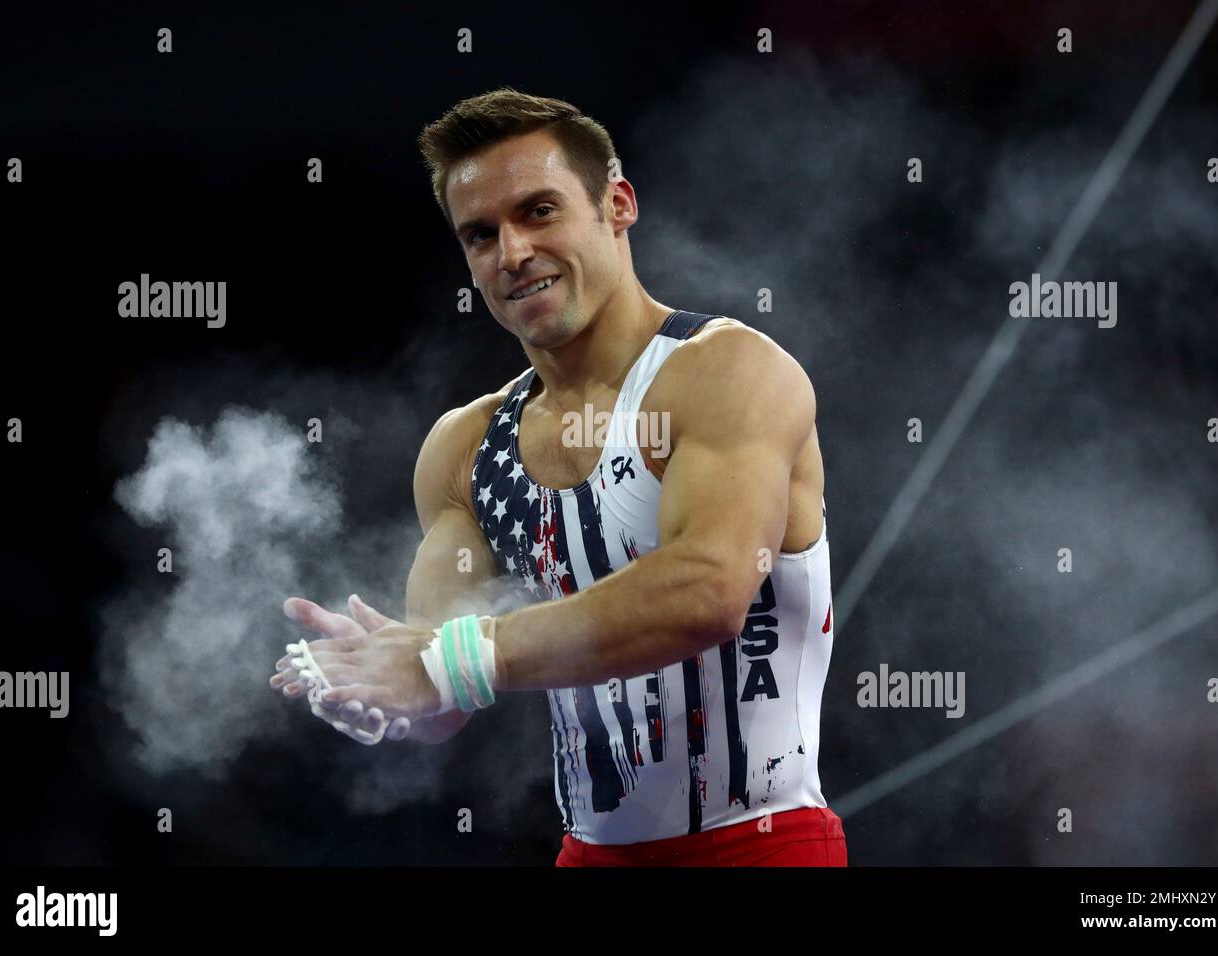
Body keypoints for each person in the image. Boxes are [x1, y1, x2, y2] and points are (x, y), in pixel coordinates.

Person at [270, 88, 845, 866]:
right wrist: (387, 686)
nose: (510, 254)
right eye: (480, 235)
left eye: (537, 211)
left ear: (617, 204)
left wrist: (452, 659)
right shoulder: (465, 449)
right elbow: (445, 685)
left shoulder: (726, 372)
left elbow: (710, 592)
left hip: (761, 845)